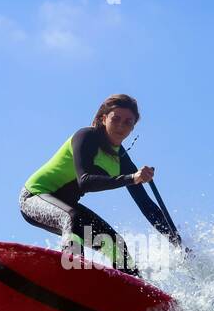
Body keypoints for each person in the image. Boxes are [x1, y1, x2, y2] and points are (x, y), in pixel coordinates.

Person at [19, 94, 180, 278]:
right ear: (104, 119)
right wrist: (131, 178)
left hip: (66, 206)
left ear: (133, 127)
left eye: (128, 122)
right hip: (34, 197)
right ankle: (72, 277)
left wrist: (177, 241)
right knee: (73, 218)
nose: (121, 126)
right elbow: (85, 180)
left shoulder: (123, 162)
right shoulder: (86, 137)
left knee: (116, 244)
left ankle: (131, 294)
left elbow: (148, 207)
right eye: (116, 119)